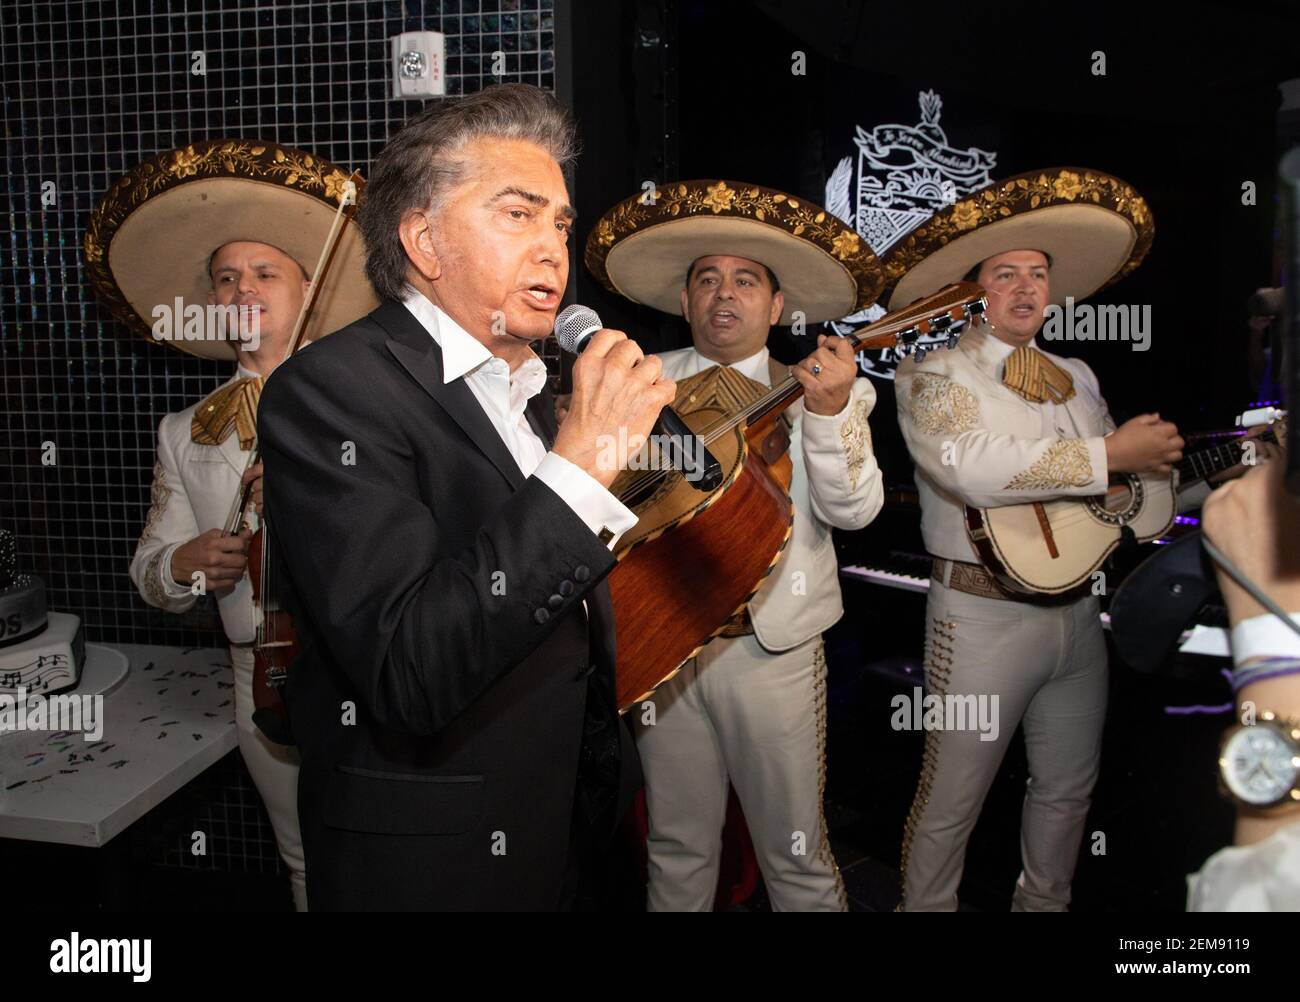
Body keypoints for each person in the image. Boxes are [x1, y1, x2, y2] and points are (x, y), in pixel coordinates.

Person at [256, 83, 677, 910]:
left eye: (560, 221)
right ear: (424, 240)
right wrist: (583, 464)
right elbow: (410, 668)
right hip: (437, 859)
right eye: (518, 214)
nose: (556, 248)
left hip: (569, 823)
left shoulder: (528, 387)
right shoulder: (330, 391)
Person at [87, 137, 378, 911]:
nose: (242, 290)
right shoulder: (185, 431)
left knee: (384, 856)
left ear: (306, 285)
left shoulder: (367, 401)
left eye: (264, 274)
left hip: (367, 667)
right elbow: (149, 569)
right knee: (306, 863)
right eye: (226, 279)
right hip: (263, 675)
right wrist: (187, 561)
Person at [583, 180, 886, 909]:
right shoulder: (643, 386)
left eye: (746, 281)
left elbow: (855, 512)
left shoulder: (818, 386)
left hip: (772, 651)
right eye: (708, 280)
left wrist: (832, 412)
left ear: (777, 307)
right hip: (666, 644)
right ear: (685, 303)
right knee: (677, 848)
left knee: (797, 856)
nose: (725, 295)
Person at [886, 167, 1183, 910]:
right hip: (980, 620)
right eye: (1005, 274)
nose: (1025, 287)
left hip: (1081, 620)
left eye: (1038, 274)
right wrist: (1111, 457)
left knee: (1067, 794)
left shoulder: (1076, 375)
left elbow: (1120, 502)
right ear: (972, 291)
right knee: (950, 805)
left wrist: (1201, 472)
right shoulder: (934, 374)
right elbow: (975, 468)